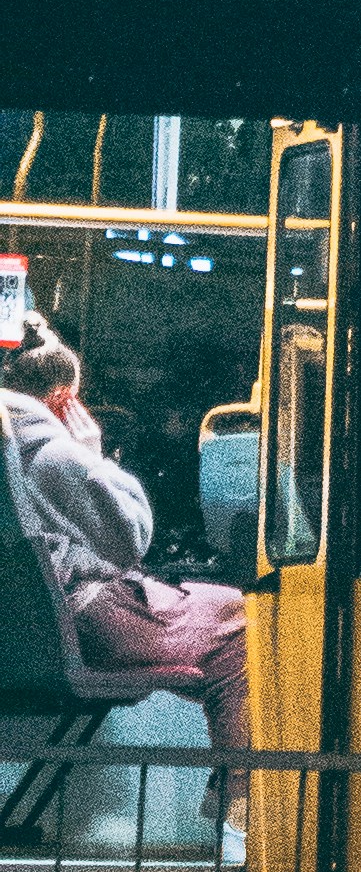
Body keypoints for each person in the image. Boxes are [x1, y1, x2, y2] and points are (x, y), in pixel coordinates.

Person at [1, 323, 251, 759]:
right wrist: (91, 455)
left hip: (23, 636)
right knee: (239, 624)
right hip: (82, 625)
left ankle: (231, 794)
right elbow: (130, 539)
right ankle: (239, 805)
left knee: (208, 648)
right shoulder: (54, 455)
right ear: (64, 399)